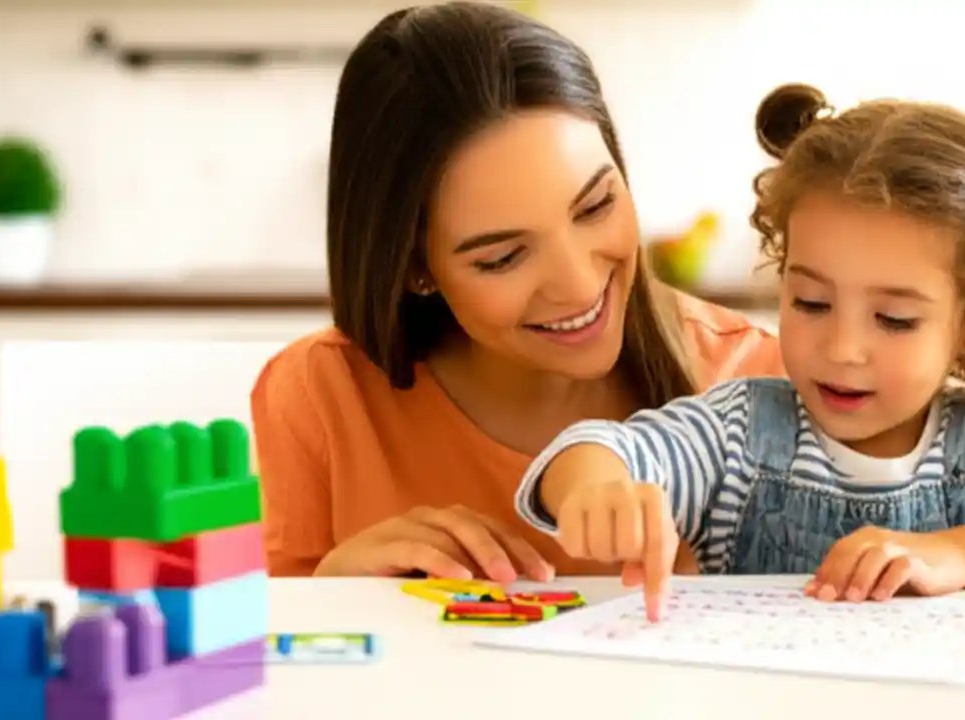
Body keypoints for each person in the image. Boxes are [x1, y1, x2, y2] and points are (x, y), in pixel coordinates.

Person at [513, 83, 965, 620]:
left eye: (894, 319)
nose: (843, 349)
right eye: (812, 303)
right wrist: (597, 487)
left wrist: (955, 554)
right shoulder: (738, 434)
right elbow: (602, 448)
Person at [250, 2, 784, 581]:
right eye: (503, 257)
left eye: (596, 206)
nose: (579, 286)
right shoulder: (321, 395)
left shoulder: (764, 379)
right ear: (413, 268)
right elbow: (269, 626)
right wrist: (333, 586)